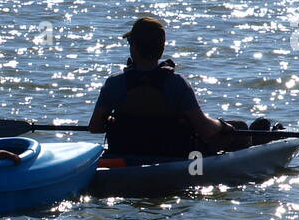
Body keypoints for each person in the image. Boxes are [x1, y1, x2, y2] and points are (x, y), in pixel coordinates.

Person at [86, 16, 247, 158]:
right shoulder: (176, 83)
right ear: (161, 49)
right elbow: (205, 129)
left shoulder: (114, 83)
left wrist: (113, 121)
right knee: (241, 126)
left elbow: (95, 127)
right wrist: (223, 125)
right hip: (171, 156)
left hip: (127, 153)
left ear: (134, 47)